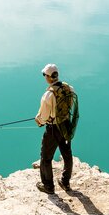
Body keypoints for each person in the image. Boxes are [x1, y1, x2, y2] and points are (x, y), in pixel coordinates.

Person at [35, 63, 75, 194]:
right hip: (66, 125)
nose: (44, 77)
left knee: (46, 157)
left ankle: (48, 186)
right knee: (67, 154)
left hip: (53, 130)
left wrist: (39, 120)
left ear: (48, 77)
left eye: (44, 75)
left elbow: (44, 117)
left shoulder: (48, 95)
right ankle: (65, 182)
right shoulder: (68, 87)